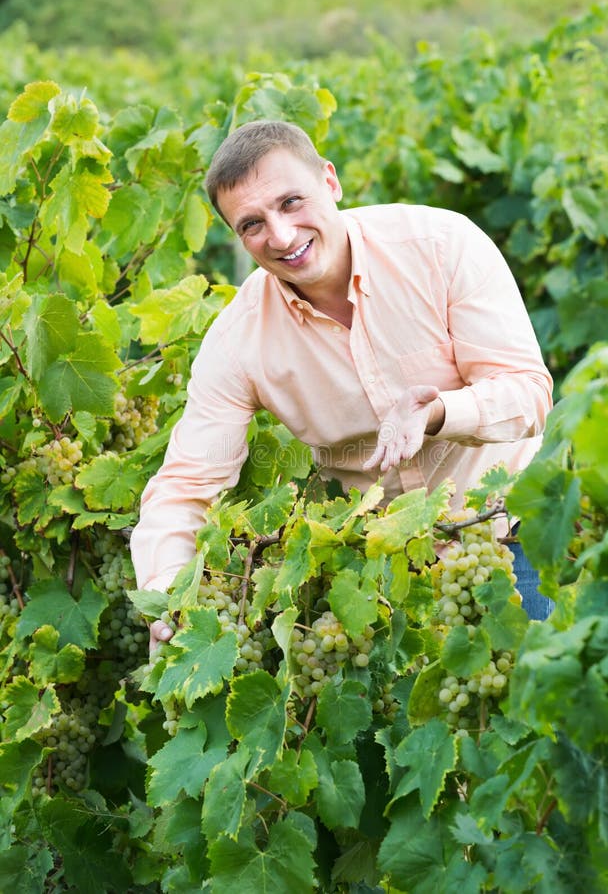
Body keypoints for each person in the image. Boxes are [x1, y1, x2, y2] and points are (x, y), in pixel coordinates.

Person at [130, 119, 554, 648]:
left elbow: (526, 394)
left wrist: (438, 413)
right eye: (252, 224)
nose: (281, 237)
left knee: (539, 719)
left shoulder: (441, 246)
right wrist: (168, 589)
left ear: (330, 182)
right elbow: (185, 485)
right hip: (383, 575)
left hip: (506, 534)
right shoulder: (239, 340)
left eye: (290, 203)